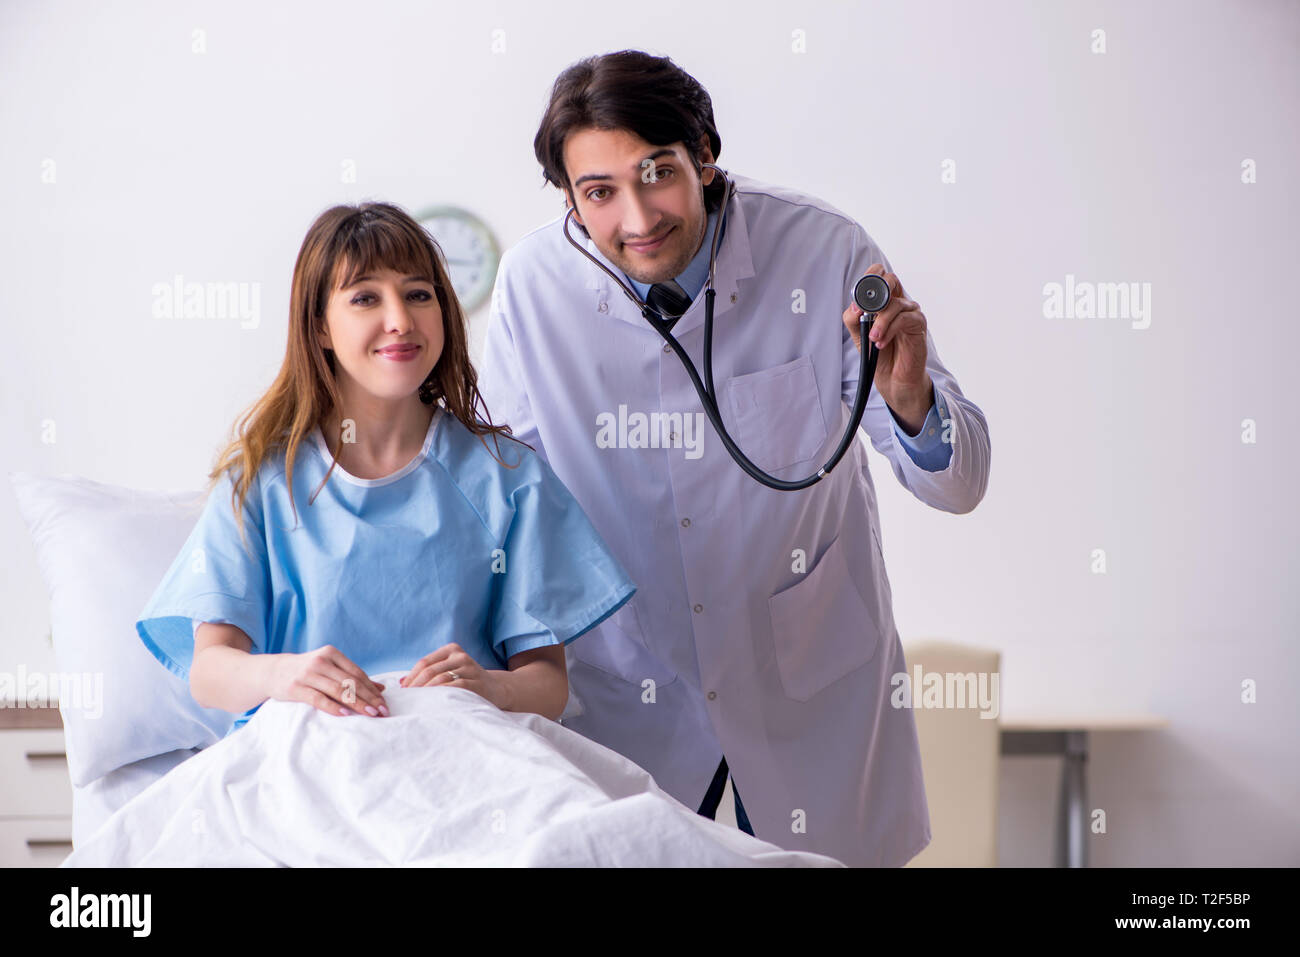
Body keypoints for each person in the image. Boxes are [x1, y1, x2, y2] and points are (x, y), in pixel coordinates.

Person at [477, 50, 991, 866]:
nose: (637, 216)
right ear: (570, 199)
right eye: (599, 192)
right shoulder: (534, 287)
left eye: (657, 173)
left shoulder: (823, 251)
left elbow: (959, 485)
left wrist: (910, 400)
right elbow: (506, 500)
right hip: (627, 692)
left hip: (808, 685)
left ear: (705, 156)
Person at [136, 202, 634, 730]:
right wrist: (284, 674)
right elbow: (210, 671)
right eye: (365, 298)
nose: (400, 321)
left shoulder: (508, 477)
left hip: (466, 747)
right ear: (320, 328)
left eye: (418, 295)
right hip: (307, 750)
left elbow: (549, 684)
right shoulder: (260, 482)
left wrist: (493, 686)